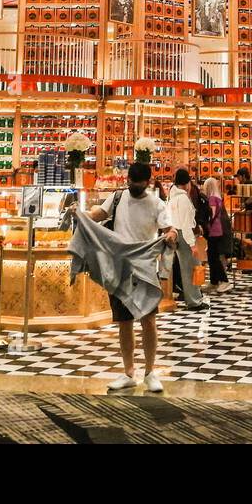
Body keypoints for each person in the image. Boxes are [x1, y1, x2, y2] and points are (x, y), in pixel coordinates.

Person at [85, 161, 178, 393]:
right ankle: (128, 372)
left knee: (148, 321)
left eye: (138, 184)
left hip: (144, 270)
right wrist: (83, 214)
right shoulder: (118, 197)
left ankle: (150, 372)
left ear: (148, 182)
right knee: (124, 322)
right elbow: (100, 214)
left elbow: (169, 229)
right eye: (131, 182)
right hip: (119, 268)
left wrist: (172, 235)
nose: (133, 186)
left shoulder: (156, 204)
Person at [166, 167, 201, 300]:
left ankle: (191, 297)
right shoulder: (183, 199)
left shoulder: (172, 197)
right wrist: (192, 244)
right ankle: (194, 300)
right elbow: (186, 224)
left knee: (185, 268)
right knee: (191, 269)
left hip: (175, 232)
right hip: (185, 235)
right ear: (187, 183)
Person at [201, 177, 233, 293]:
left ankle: (224, 281)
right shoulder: (218, 198)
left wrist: (204, 224)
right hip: (217, 230)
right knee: (212, 256)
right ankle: (214, 281)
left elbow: (212, 215)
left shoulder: (212, 199)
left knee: (213, 257)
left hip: (214, 231)